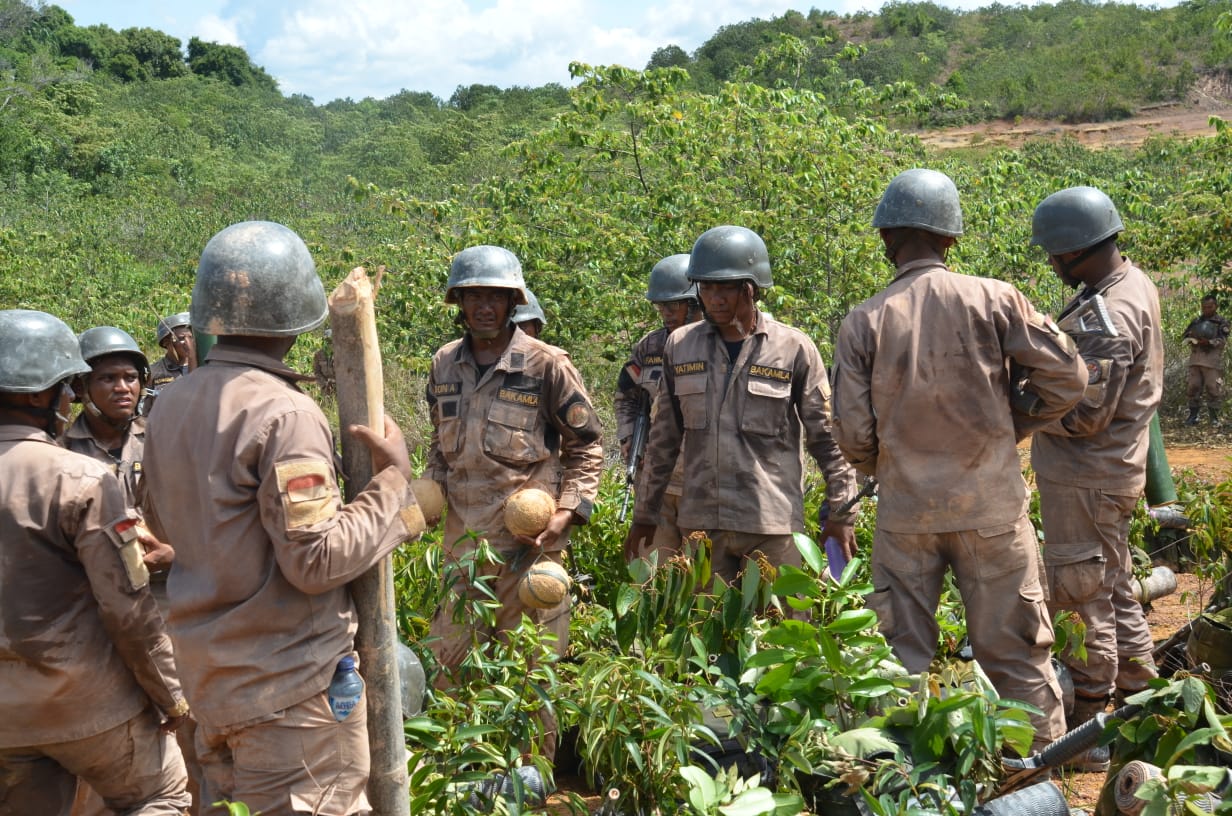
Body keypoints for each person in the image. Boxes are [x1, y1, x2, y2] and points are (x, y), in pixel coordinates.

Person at [141, 220, 426, 816]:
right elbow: (316, 561)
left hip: (212, 687)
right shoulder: (284, 413)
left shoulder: (169, 406)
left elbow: (165, 530)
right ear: (300, 310)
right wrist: (394, 484)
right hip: (290, 697)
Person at [832, 169, 1087, 752]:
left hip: (905, 517)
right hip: (992, 509)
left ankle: (909, 785)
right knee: (1017, 655)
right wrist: (1012, 426)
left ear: (886, 239)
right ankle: (1034, 780)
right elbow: (1070, 379)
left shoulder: (863, 320)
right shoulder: (996, 299)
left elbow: (851, 432)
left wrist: (888, 462)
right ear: (950, 240)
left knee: (901, 662)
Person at [0, 309, 190, 815]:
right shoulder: (77, 475)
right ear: (44, 395)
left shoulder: (150, 439)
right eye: (71, 386)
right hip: (81, 698)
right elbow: (125, 610)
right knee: (164, 794)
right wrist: (170, 696)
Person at [423, 245, 604, 759]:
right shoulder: (443, 364)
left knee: (531, 669)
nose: (484, 305)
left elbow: (587, 443)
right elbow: (440, 448)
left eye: (495, 296)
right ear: (459, 300)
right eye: (474, 295)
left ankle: (533, 777)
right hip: (463, 548)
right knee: (449, 663)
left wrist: (569, 511)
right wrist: (423, 497)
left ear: (513, 302)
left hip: (530, 549)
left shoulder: (547, 365)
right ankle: (457, 775)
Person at [624, 226, 860, 586]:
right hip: (702, 527)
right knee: (706, 629)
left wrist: (842, 514)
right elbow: (663, 440)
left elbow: (828, 440)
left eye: (726, 288)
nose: (714, 298)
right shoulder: (680, 346)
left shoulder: (792, 348)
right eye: (706, 288)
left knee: (782, 630)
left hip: (771, 524)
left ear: (751, 288)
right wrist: (645, 513)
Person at [1029, 186, 1163, 764]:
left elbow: (1082, 416)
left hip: (1088, 476)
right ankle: (1143, 700)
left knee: (1081, 600)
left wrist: (1021, 399)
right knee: (1113, 587)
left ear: (1074, 251)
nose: (1051, 265)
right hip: (1113, 471)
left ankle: (1089, 731)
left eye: (1053, 255)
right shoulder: (1129, 286)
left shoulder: (1106, 316)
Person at [64, 326, 203, 814]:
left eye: (130, 378)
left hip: (165, 597)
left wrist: (176, 552)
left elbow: (199, 513)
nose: (122, 388)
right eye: (107, 379)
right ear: (80, 388)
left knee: (181, 713)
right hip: (95, 607)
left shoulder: (161, 437)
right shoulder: (61, 448)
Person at [614, 253, 700, 558]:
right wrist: (627, 439)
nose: (665, 312)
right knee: (651, 575)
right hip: (656, 484)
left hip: (701, 486)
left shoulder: (713, 344)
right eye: (660, 305)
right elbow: (627, 397)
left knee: (702, 581)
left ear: (695, 302)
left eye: (673, 305)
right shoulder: (649, 347)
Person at [1182, 293, 1229, 425]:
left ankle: (1214, 418)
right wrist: (1190, 338)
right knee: (1193, 387)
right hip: (1195, 359)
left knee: (1213, 388)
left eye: (1210, 307)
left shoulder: (1221, 322)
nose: (1207, 309)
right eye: (1204, 307)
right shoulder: (1197, 321)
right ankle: (1193, 416)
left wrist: (1208, 342)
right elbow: (1185, 335)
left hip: (1212, 360)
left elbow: (1222, 340)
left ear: (1216, 306)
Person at [145, 311, 194, 414]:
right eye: (181, 338)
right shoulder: (153, 372)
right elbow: (144, 410)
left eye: (191, 337)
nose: (188, 343)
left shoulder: (202, 367)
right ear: (166, 342)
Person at [313, 328, 336, 396]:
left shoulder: (341, 354)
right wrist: (324, 384)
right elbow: (317, 372)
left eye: (330, 340)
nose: (329, 343)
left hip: (342, 389)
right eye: (327, 340)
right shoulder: (319, 354)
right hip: (326, 390)